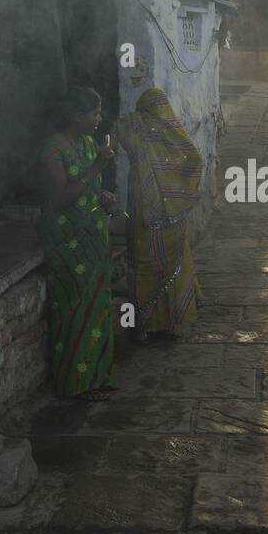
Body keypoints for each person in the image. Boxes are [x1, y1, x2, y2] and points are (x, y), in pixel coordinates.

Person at [38, 86, 118, 400]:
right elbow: (61, 197)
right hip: (67, 245)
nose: (99, 119)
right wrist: (99, 166)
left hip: (93, 240)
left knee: (96, 307)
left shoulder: (87, 144)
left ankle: (96, 375)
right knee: (72, 307)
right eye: (94, 113)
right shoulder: (52, 150)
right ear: (76, 116)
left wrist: (103, 195)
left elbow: (86, 188)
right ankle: (73, 382)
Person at [117, 86, 204, 344]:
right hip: (172, 212)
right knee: (174, 267)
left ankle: (141, 327)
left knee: (142, 266)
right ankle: (171, 323)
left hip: (142, 209)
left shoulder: (131, 126)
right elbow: (195, 160)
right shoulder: (172, 132)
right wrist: (179, 189)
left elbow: (117, 132)